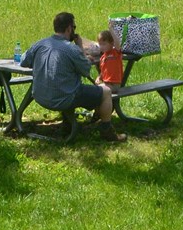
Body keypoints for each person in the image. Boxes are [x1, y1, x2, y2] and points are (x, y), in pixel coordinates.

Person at [21, 11, 124, 142]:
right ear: (69, 28)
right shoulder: (72, 49)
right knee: (106, 92)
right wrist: (80, 46)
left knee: (64, 83)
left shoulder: (40, 43)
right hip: (65, 98)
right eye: (74, 27)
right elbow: (86, 70)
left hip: (40, 96)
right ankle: (107, 132)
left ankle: (67, 124)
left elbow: (24, 60)